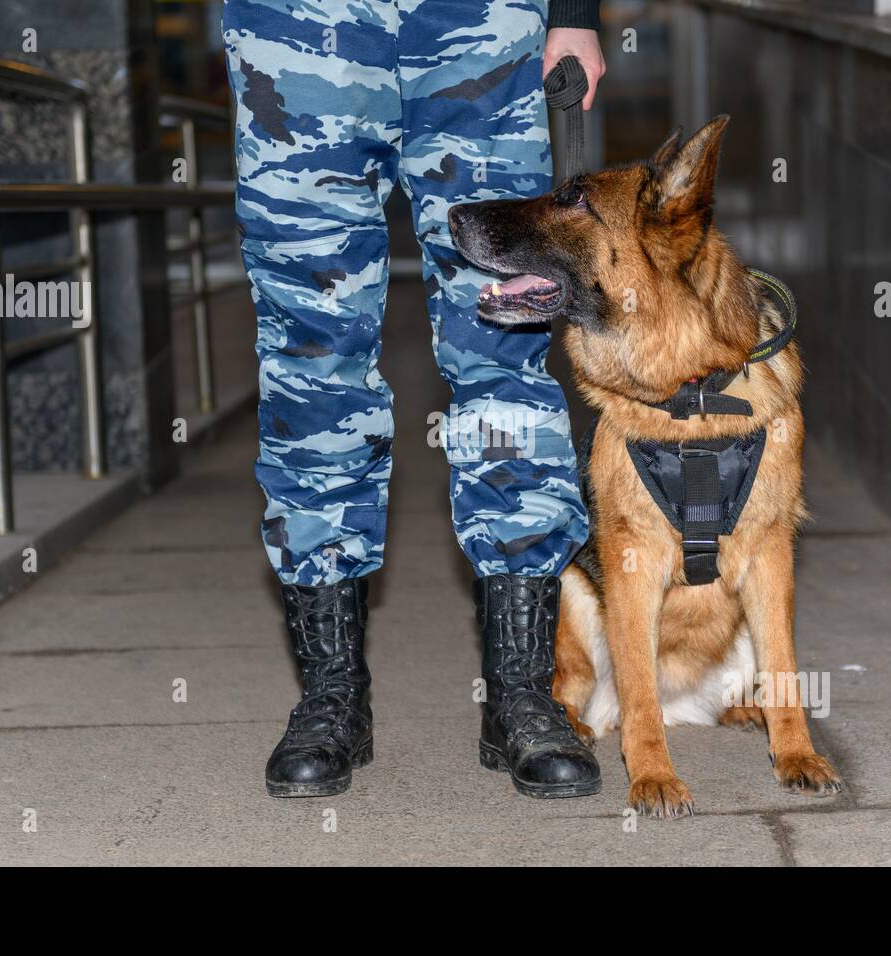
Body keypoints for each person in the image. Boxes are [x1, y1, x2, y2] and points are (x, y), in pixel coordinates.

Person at [223, 0, 605, 799]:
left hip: (480, 20)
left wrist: (574, 9)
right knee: (310, 355)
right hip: (299, 25)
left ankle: (520, 696)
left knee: (503, 344)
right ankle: (333, 698)